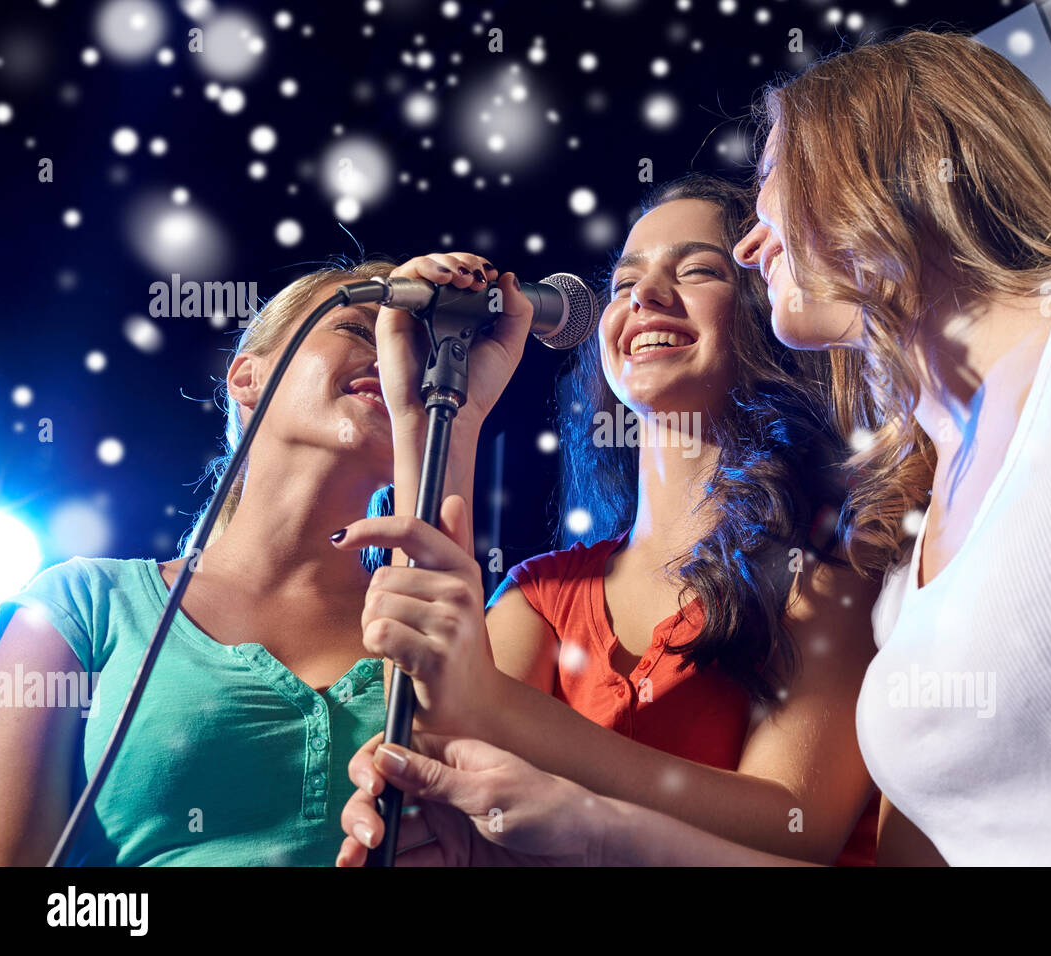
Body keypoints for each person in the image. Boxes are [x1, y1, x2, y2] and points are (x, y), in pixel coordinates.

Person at [335, 29, 1051, 866]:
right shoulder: (920, 539)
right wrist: (577, 834)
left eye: (766, 194)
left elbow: (797, 825)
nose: (757, 245)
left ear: (882, 158)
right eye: (626, 281)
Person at [331, 172, 883, 867]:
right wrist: (436, 419)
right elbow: (428, 716)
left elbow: (798, 823)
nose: (645, 296)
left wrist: (492, 706)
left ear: (766, 308)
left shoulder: (827, 566)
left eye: (698, 271)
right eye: (624, 285)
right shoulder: (545, 595)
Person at [0, 252, 531, 865]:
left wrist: (448, 415)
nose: (390, 360)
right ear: (247, 377)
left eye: (410, 345)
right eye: (360, 329)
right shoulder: (85, 604)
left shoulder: (447, 630)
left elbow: (472, 810)